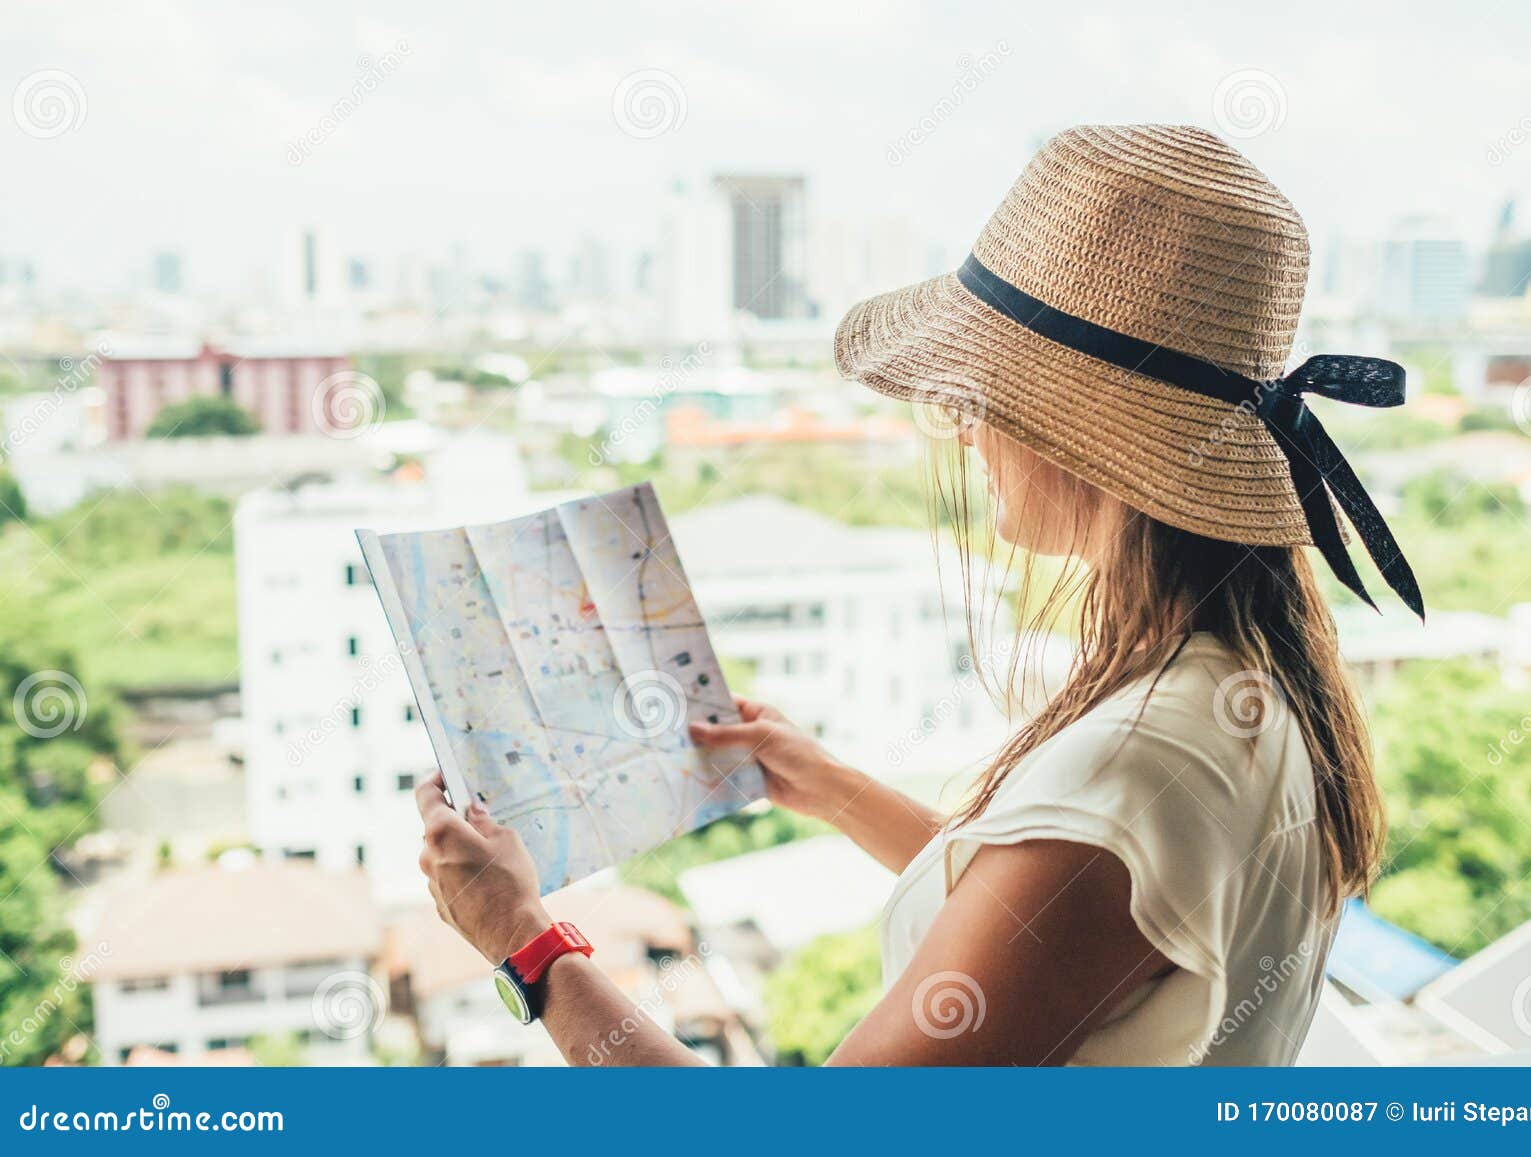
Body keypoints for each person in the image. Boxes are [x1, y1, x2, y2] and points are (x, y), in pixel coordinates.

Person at [415, 123, 1423, 1066]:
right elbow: (1052, 929)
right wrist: (829, 783)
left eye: (985, 398)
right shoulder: (1244, 688)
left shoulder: (1140, 758)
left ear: (1084, 436)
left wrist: (527, 943)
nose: (971, 434)